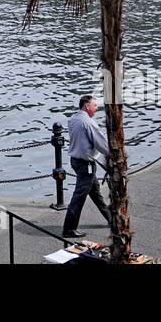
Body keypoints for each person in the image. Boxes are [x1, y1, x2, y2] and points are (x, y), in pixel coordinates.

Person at [61, 95, 111, 239]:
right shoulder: (88, 123)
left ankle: (110, 219)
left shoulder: (73, 119)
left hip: (75, 160)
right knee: (79, 197)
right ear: (87, 106)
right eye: (95, 105)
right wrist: (114, 154)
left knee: (94, 192)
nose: (97, 108)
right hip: (86, 164)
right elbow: (101, 144)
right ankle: (69, 228)